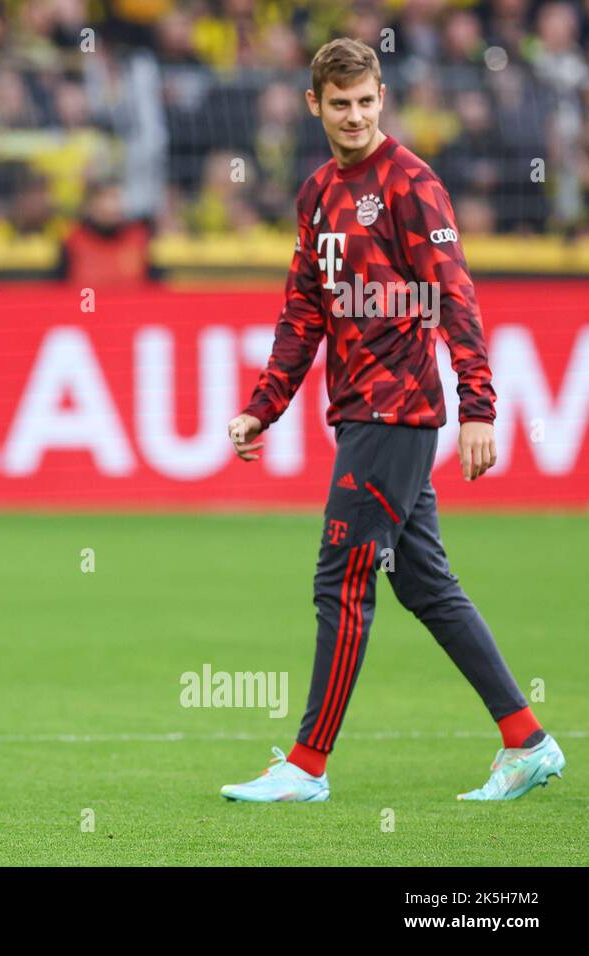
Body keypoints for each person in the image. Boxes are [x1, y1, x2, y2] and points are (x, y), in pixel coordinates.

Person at [221, 38, 563, 803]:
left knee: (339, 581)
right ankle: (526, 740)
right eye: (340, 104)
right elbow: (303, 310)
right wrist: (262, 406)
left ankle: (307, 767)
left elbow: (455, 295)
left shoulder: (412, 184)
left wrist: (479, 406)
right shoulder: (315, 195)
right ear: (315, 105)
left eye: (367, 101)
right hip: (361, 414)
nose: (355, 115)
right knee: (425, 583)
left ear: (382, 98)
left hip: (396, 411)